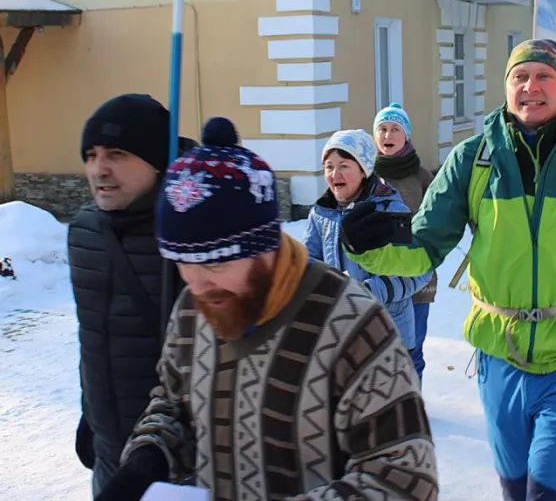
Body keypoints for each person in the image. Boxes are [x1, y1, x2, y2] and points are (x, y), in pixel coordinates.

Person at [338, 39, 556, 500]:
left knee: (548, 491)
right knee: (515, 490)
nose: (531, 86)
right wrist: (370, 248)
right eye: (519, 77)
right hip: (500, 353)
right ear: (506, 87)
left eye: (544, 76)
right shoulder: (473, 158)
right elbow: (424, 248)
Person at [93, 117, 438, 501]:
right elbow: (175, 403)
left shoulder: (351, 323)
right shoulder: (195, 307)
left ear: (263, 248)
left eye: (216, 262)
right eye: (182, 262)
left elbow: (405, 477)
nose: (197, 284)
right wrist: (148, 457)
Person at [69, 94, 195, 495]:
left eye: (117, 154)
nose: (99, 169)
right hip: (109, 456)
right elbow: (93, 336)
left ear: (158, 161)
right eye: (91, 154)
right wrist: (91, 415)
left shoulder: (193, 236)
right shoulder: (84, 231)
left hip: (179, 460)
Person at [302, 129, 431, 356]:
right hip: (339, 335)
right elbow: (308, 265)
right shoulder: (321, 214)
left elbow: (420, 272)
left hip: (388, 334)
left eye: (344, 165)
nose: (334, 174)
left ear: (364, 170)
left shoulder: (390, 210)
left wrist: (369, 291)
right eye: (329, 167)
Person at [372, 103, 438, 382]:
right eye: (383, 129)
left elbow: (436, 222)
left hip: (416, 279)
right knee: (377, 348)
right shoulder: (365, 174)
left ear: (406, 136)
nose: (388, 134)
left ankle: (413, 407)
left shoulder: (422, 177)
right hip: (376, 279)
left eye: (395, 129)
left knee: (413, 349)